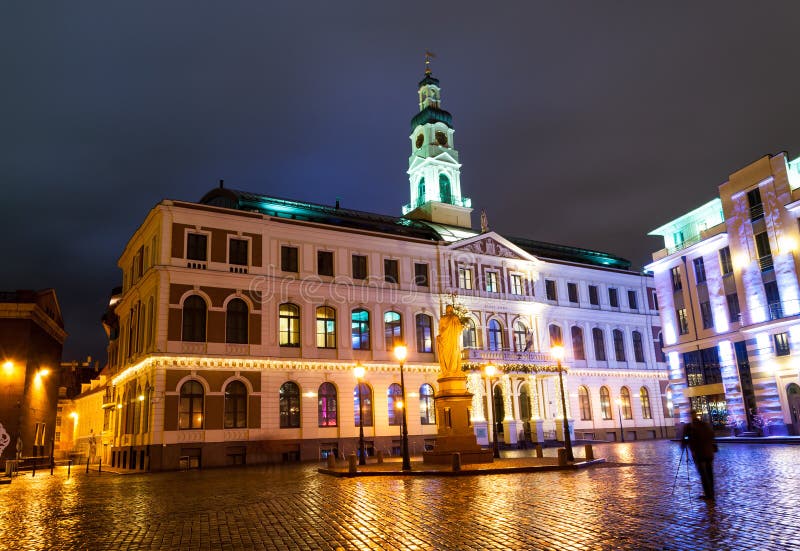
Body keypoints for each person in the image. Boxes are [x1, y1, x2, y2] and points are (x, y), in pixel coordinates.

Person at [681, 410, 718, 501]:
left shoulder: (689, 427)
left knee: (703, 475)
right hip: (709, 453)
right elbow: (712, 436)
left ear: (690, 416)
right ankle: (712, 494)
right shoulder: (706, 425)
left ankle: (708, 495)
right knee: (710, 474)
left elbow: (685, 439)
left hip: (699, 454)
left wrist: (684, 444)